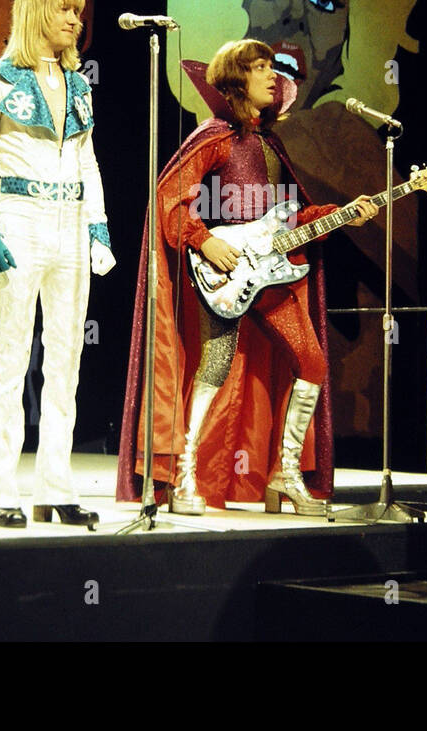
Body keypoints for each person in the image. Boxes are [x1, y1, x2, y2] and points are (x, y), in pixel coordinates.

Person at [116, 39, 376, 516]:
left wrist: (342, 214)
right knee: (214, 364)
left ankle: (286, 476)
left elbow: (290, 218)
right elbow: (169, 199)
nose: (272, 76)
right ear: (237, 79)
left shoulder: (270, 142)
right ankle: (184, 476)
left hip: (271, 273)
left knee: (313, 364)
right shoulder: (214, 136)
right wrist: (204, 240)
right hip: (226, 272)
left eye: (272, 67)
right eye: (260, 68)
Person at [0, 0, 113, 530]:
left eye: (78, 10)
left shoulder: (80, 84)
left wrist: (98, 226)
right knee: (10, 355)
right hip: (20, 216)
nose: (76, 19)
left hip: (71, 220)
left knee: (66, 358)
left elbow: (89, 159)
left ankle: (56, 485)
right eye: (64, 10)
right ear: (35, 13)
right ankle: (0, 488)